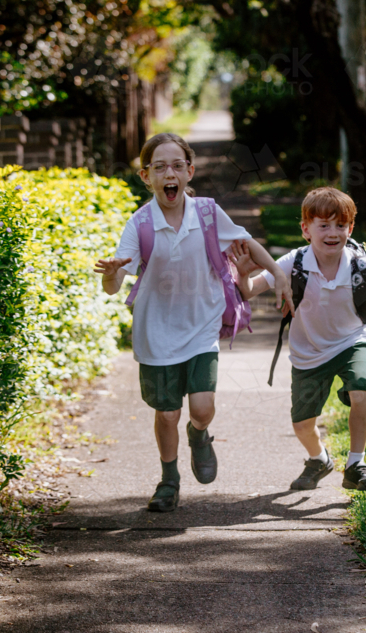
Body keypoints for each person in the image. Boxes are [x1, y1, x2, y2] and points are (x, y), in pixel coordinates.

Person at [94, 133, 293, 512]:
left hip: (203, 324)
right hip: (156, 333)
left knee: (201, 408)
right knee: (167, 412)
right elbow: (114, 285)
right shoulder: (139, 225)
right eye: (159, 167)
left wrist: (277, 275)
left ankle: (199, 434)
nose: (169, 173)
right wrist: (111, 274)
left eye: (177, 166)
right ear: (145, 176)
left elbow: (247, 243)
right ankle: (169, 480)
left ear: (190, 172)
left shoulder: (207, 212)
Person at [231, 186, 366, 491]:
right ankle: (319, 459)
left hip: (352, 341)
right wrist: (241, 273)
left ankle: (356, 464)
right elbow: (249, 290)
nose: (333, 232)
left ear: (350, 228)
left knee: (361, 392)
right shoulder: (295, 262)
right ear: (306, 229)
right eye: (324, 225)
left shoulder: (359, 265)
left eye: (340, 225)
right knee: (302, 425)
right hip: (308, 353)